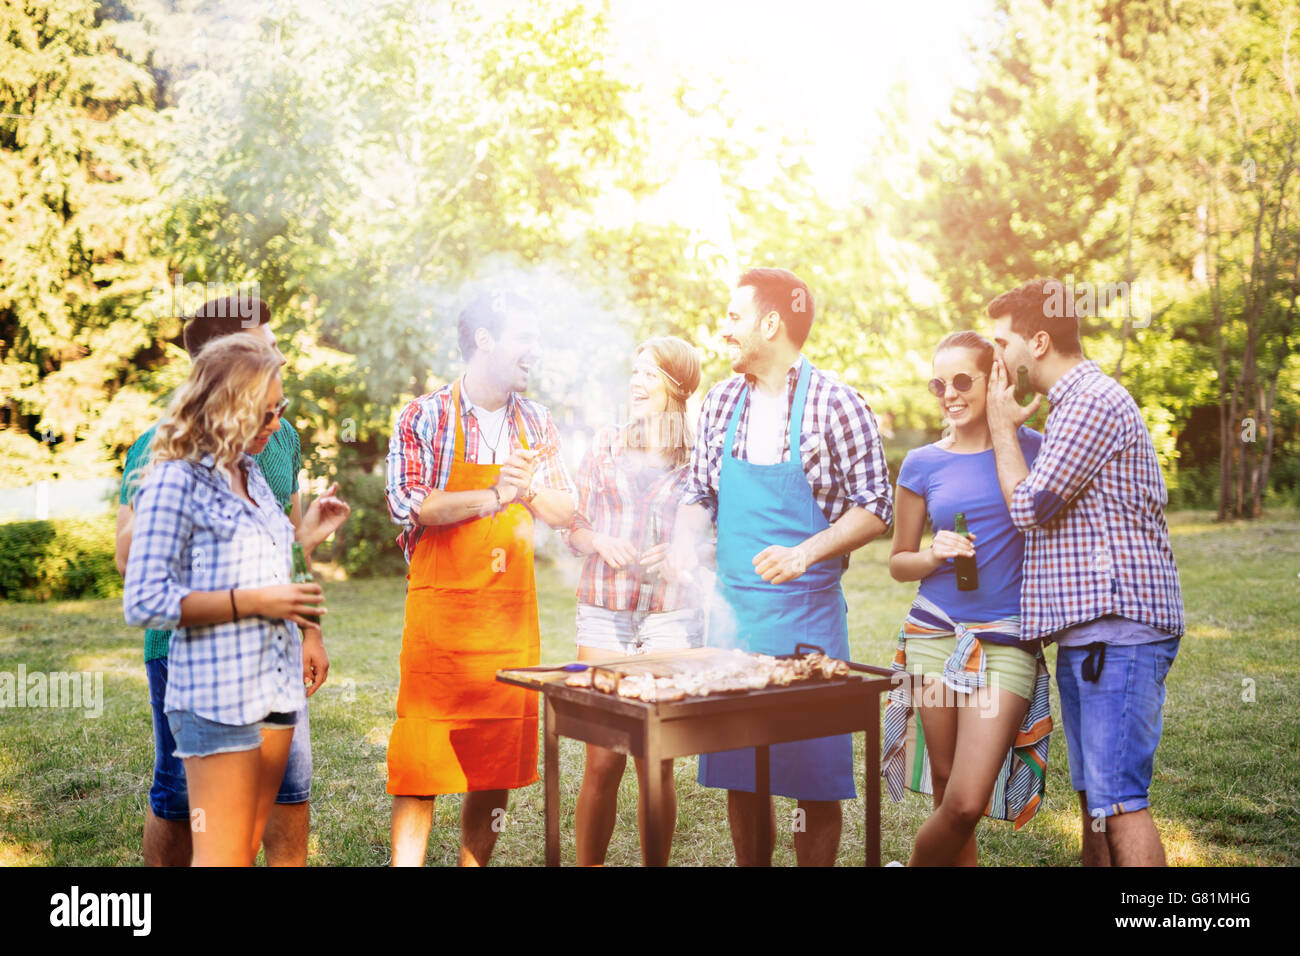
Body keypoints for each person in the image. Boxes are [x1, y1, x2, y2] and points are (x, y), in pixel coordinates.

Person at [668, 268, 894, 867]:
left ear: (771, 323)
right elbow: (699, 494)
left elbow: (877, 508)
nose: (724, 330)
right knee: (742, 772)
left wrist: (805, 552)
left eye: (734, 317)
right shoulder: (719, 402)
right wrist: (682, 542)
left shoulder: (837, 403)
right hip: (735, 622)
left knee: (811, 777)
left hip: (808, 624)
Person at [115, 295, 349, 867]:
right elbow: (142, 593)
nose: (277, 422)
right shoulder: (173, 475)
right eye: (265, 412)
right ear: (225, 404)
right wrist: (254, 601)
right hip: (216, 691)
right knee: (219, 852)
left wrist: (305, 537)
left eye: (280, 408)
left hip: (273, 684)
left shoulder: (252, 471)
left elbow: (270, 557)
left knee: (248, 843)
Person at [984, 278, 1185, 867]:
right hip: (1092, 635)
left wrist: (1000, 429)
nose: (997, 358)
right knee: (1097, 801)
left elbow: (1029, 507)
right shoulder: (1071, 406)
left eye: (1002, 343)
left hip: (1117, 631)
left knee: (1119, 802)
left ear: (1038, 342)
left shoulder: (1092, 401)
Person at [384, 291, 577, 867]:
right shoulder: (426, 415)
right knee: (420, 757)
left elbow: (568, 512)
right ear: (486, 341)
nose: (533, 352)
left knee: (492, 759)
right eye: (524, 338)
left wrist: (530, 489)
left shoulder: (537, 421)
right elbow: (411, 504)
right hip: (440, 619)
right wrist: (496, 493)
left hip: (509, 618)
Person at [881, 331, 1052, 866]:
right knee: (944, 782)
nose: (949, 394)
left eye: (961, 381)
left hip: (1005, 640)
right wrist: (933, 555)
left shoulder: (1035, 448)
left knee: (966, 802)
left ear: (993, 378)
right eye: (939, 383)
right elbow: (897, 561)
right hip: (933, 636)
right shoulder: (921, 463)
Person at [566, 336, 703, 867]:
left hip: (670, 616)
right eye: (635, 371)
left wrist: (688, 548)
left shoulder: (700, 455)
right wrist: (598, 541)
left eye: (651, 374)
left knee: (656, 761)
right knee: (601, 762)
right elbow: (572, 525)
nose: (637, 382)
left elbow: (719, 531)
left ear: (678, 385)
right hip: (604, 612)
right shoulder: (604, 443)